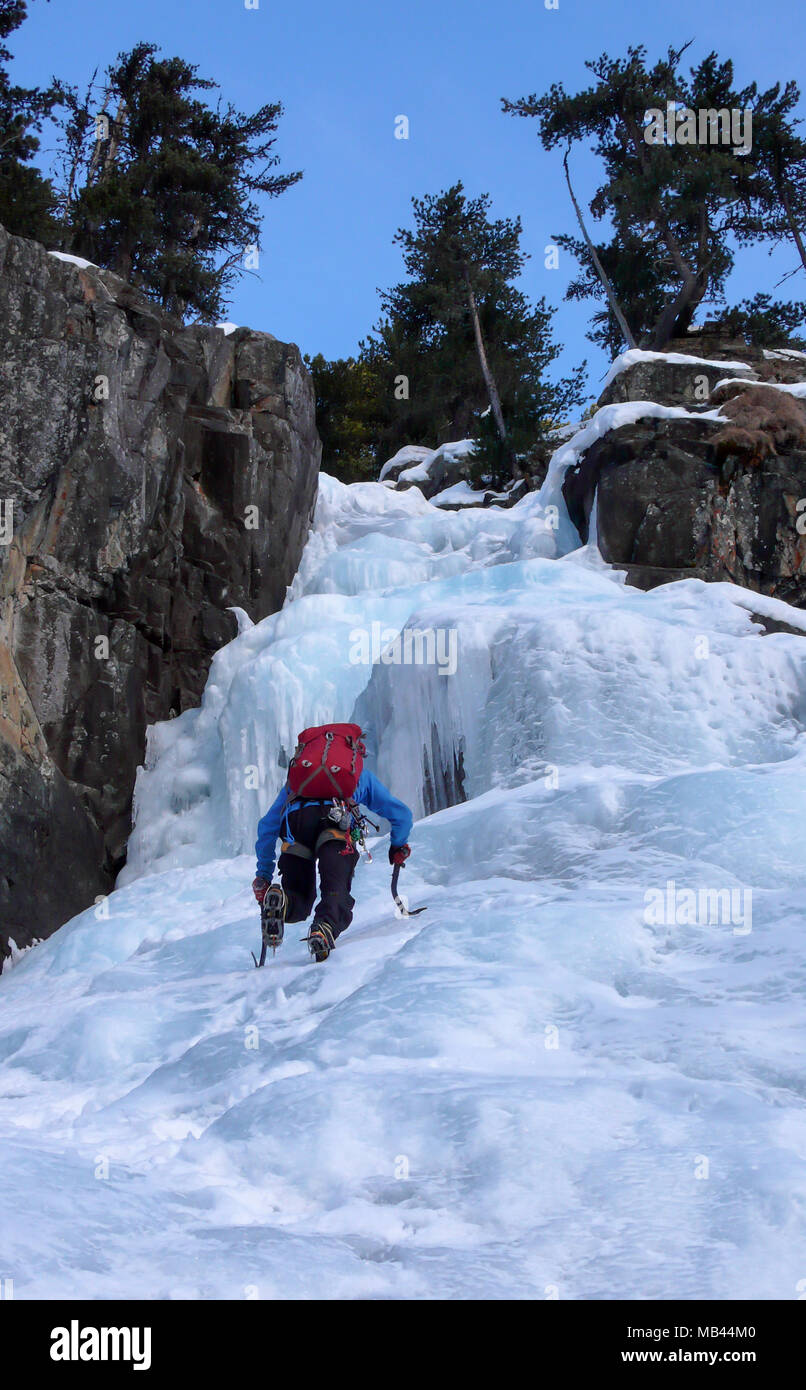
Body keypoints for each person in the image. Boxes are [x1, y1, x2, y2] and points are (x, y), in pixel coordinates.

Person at [252, 754, 413, 963]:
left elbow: (267, 826)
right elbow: (402, 815)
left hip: (296, 825)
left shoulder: (299, 780)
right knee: (335, 889)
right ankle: (323, 928)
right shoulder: (356, 774)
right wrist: (398, 845)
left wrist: (263, 875)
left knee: (298, 898)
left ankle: (284, 903)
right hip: (334, 824)